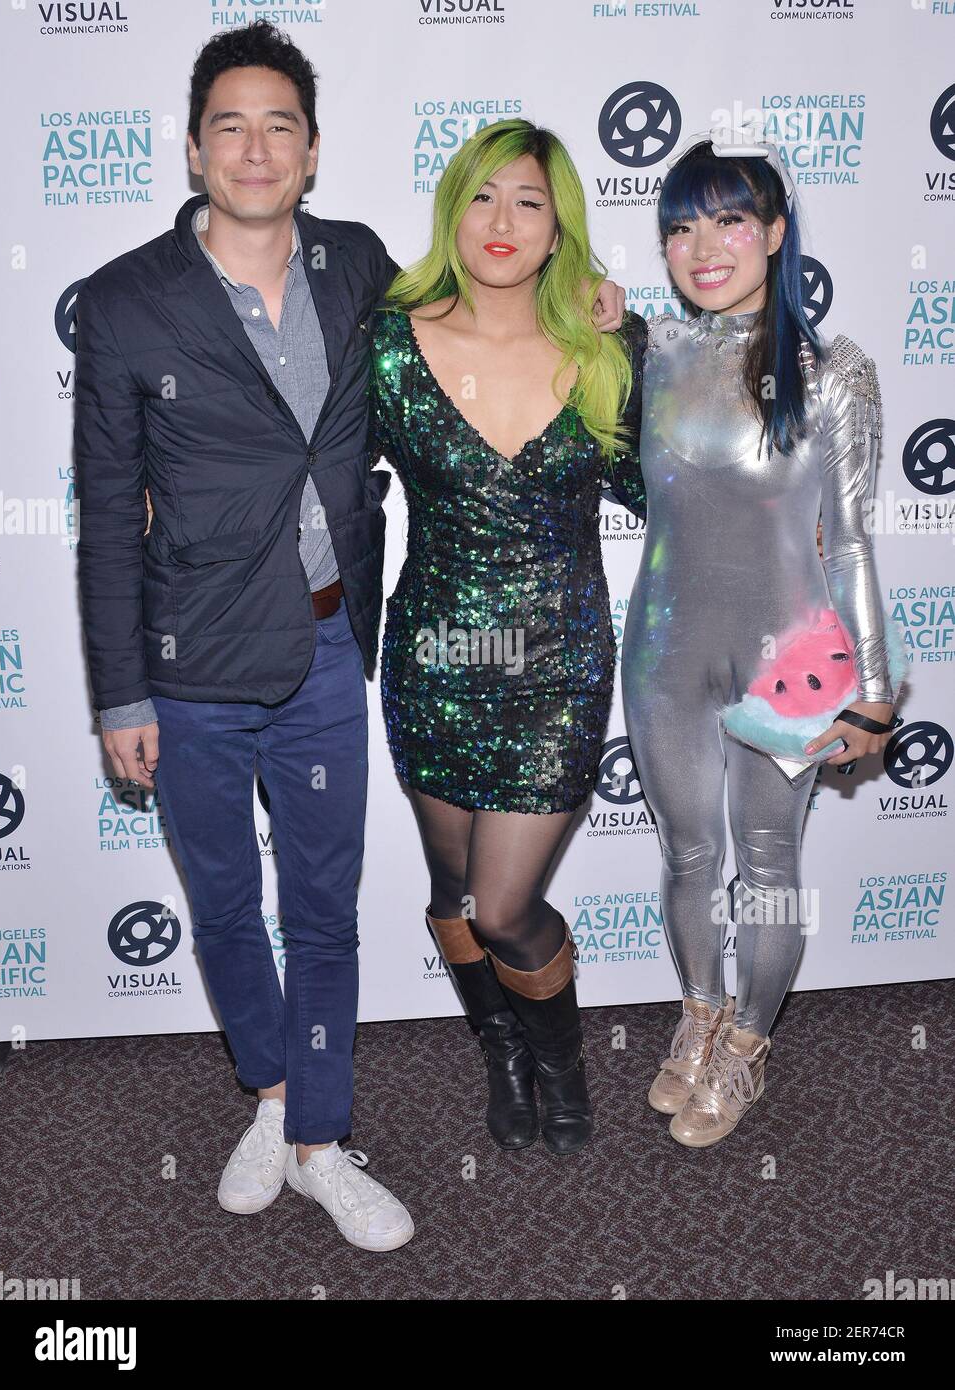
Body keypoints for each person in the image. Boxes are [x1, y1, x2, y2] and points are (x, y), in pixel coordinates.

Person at [74, 22, 625, 1244]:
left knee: (324, 912)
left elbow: (489, 318)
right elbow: (108, 516)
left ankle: (319, 1136)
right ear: (194, 147)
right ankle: (273, 1095)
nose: (256, 148)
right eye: (231, 125)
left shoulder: (362, 268)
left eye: (281, 126)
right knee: (224, 909)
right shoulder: (123, 305)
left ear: (313, 152)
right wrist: (121, 696)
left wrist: (590, 297)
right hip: (191, 667)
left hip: (330, 651)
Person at [367, 119, 648, 1156]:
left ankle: (561, 1058)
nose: (502, 221)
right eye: (483, 197)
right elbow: (315, 471)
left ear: (555, 224)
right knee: (452, 890)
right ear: (454, 210)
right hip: (436, 661)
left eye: (528, 201)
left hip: (555, 664)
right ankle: (501, 1045)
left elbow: (661, 485)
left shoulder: (607, 343)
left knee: (503, 903)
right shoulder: (391, 341)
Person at [619, 132, 901, 1148]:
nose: (705, 245)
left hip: (791, 659)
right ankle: (697, 1014)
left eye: (730, 220)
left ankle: (745, 1044)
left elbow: (854, 539)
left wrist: (873, 692)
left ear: (775, 234)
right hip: (660, 650)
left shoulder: (834, 372)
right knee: (688, 853)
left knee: (769, 863)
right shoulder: (643, 352)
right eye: (681, 226)